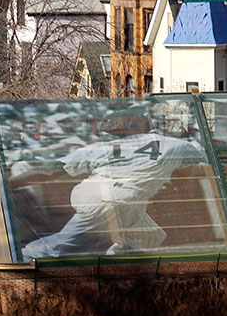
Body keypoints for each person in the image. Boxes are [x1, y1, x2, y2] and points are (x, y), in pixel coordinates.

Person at [21, 109, 207, 259]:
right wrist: (178, 181)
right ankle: (24, 260)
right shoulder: (173, 144)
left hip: (103, 196)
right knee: (60, 247)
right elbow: (195, 163)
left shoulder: (104, 147)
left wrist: (17, 178)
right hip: (114, 199)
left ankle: (116, 268)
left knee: (150, 237)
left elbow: (54, 168)